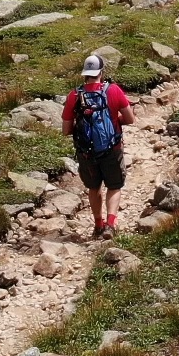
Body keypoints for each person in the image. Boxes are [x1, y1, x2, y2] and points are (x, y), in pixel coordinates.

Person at [62, 52, 134, 238]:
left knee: (94, 188)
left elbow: (66, 130)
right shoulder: (113, 91)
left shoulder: (74, 95)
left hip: (86, 152)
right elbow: (130, 119)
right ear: (101, 72)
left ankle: (98, 225)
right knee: (114, 186)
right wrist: (115, 120)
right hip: (112, 148)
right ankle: (110, 225)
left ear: (85, 73)